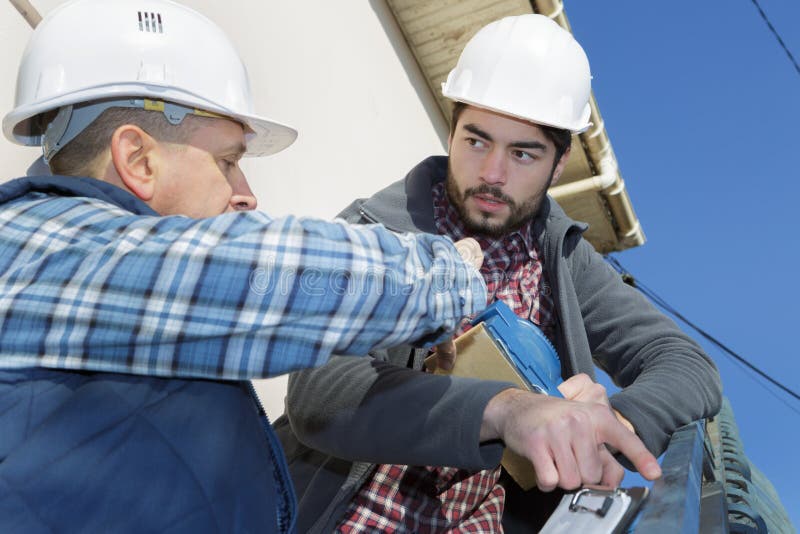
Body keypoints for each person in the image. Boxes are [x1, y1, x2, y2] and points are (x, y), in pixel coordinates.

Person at [0, 1, 491, 532]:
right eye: (228, 162)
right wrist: (449, 275)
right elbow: (284, 272)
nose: (247, 195)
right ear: (138, 160)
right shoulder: (48, 250)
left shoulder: (109, 277)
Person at [276, 14, 722, 532]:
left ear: (559, 163)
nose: (491, 172)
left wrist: (610, 423)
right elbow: (320, 392)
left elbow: (686, 363)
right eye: (476, 141)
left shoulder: (565, 261)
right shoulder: (371, 231)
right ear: (453, 128)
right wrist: (505, 410)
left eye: (522, 153)